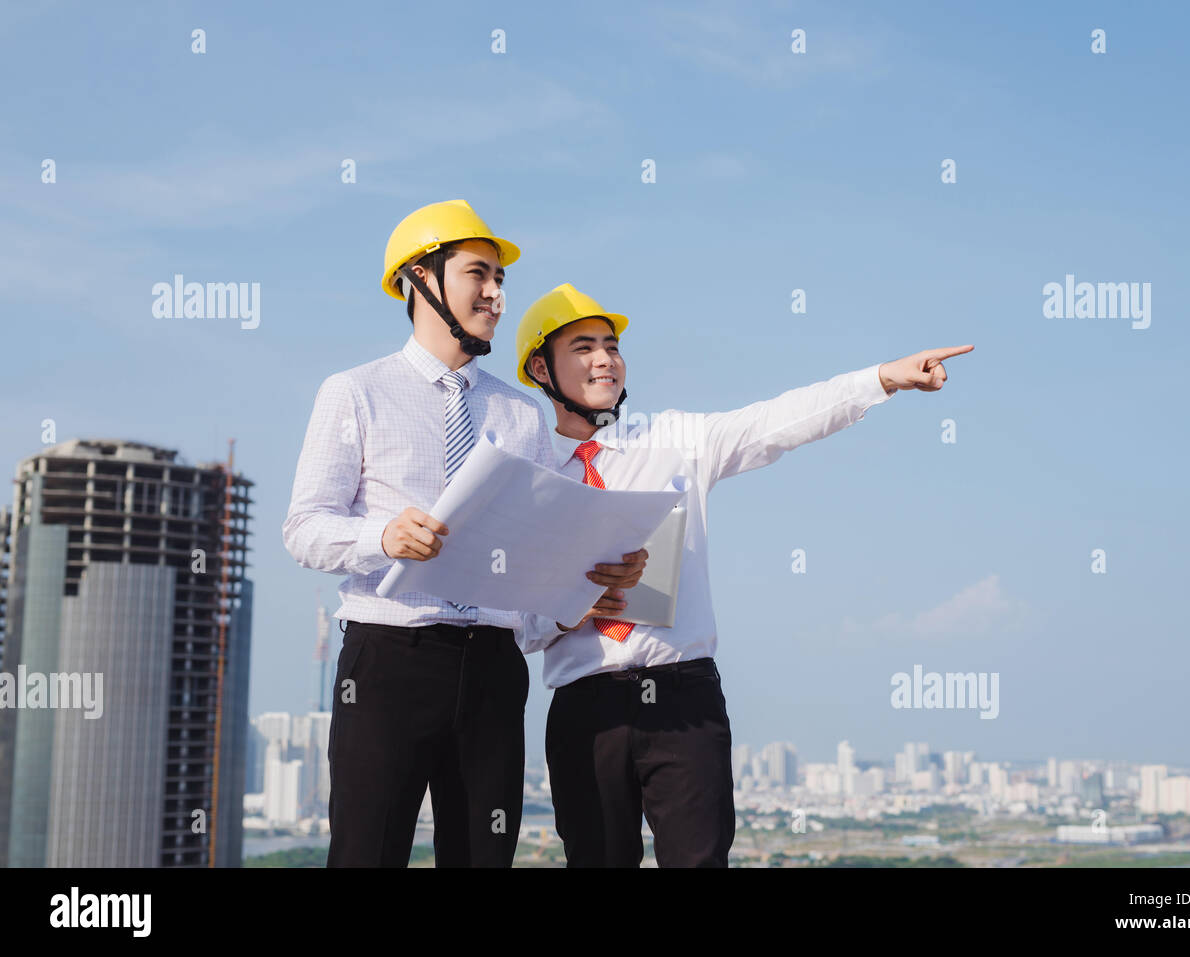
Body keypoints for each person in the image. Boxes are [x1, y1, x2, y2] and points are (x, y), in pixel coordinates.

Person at [514, 282, 973, 866]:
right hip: (585, 709)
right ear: (540, 368)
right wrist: (569, 605)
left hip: (683, 701)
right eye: (583, 346)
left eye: (611, 344)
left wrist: (882, 377)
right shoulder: (526, 477)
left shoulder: (673, 438)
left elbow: (777, 421)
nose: (605, 357)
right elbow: (513, 626)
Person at [282, 205, 645, 867]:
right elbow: (304, 528)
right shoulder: (354, 392)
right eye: (479, 273)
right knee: (366, 854)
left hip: (493, 670)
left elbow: (539, 559)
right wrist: (382, 537)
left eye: (500, 278)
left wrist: (578, 594)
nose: (496, 294)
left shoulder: (521, 413)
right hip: (388, 660)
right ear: (419, 278)